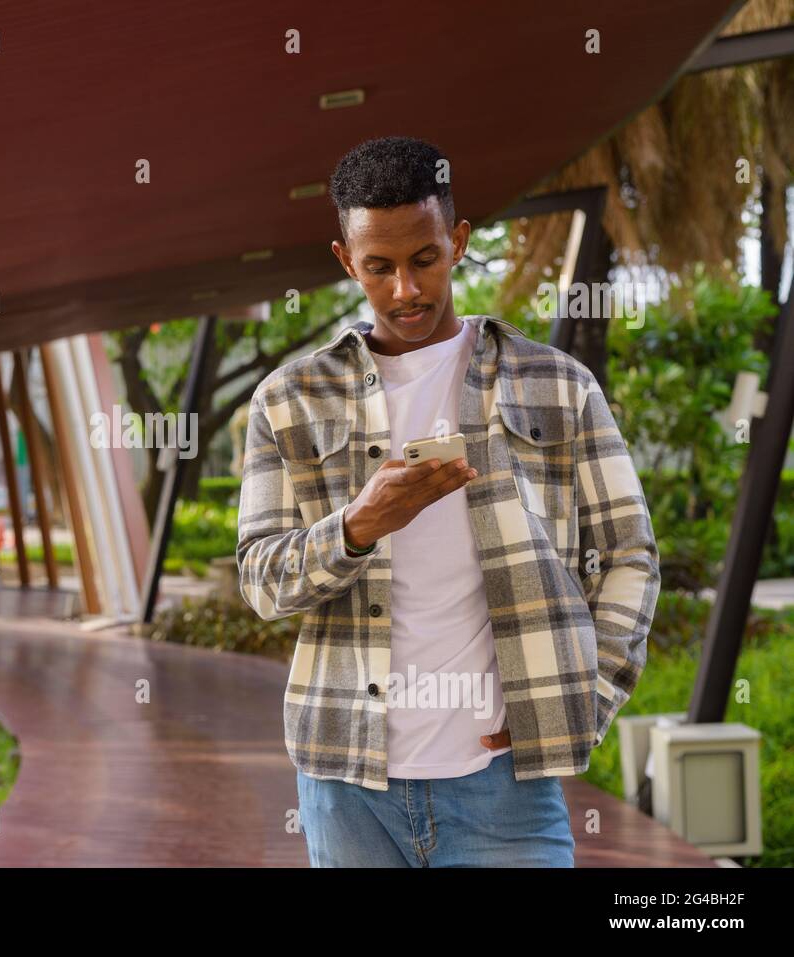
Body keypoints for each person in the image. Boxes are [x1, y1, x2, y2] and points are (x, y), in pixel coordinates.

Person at [235, 135, 660, 867]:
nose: (406, 289)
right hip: (346, 786)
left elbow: (630, 556)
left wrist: (584, 699)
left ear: (457, 241)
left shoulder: (557, 385)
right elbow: (262, 581)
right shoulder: (288, 400)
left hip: (502, 787)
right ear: (346, 262)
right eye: (379, 267)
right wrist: (359, 526)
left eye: (424, 258)